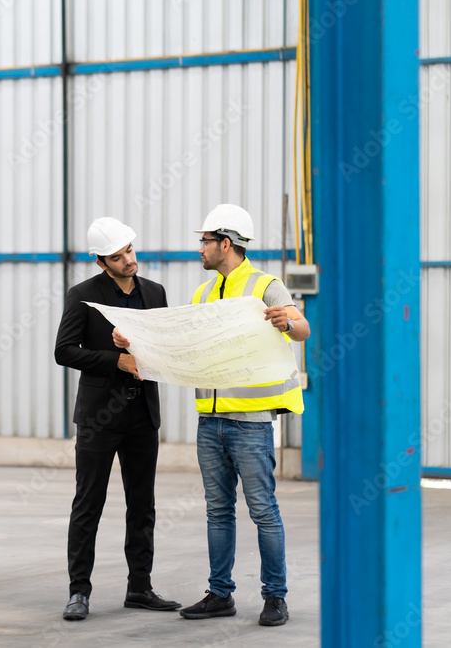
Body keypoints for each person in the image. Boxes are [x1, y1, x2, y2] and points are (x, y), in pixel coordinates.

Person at [114, 204, 310, 627]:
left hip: (252, 423)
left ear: (226, 243)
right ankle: (220, 594)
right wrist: (135, 342)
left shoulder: (265, 286)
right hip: (211, 422)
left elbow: (302, 328)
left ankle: (275, 597)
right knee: (217, 512)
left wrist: (286, 322)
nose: (199, 248)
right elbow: (184, 348)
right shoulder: (203, 295)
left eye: (204, 240)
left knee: (263, 511)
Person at [53, 217, 180, 621]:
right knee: (88, 502)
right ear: (100, 263)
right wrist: (115, 359)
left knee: (143, 505)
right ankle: (79, 592)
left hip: (142, 414)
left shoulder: (155, 293)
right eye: (118, 256)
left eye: (130, 250)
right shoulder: (83, 296)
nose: (128, 259)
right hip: (98, 418)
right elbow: (64, 351)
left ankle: (140, 588)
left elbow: (163, 346)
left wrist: (146, 351)